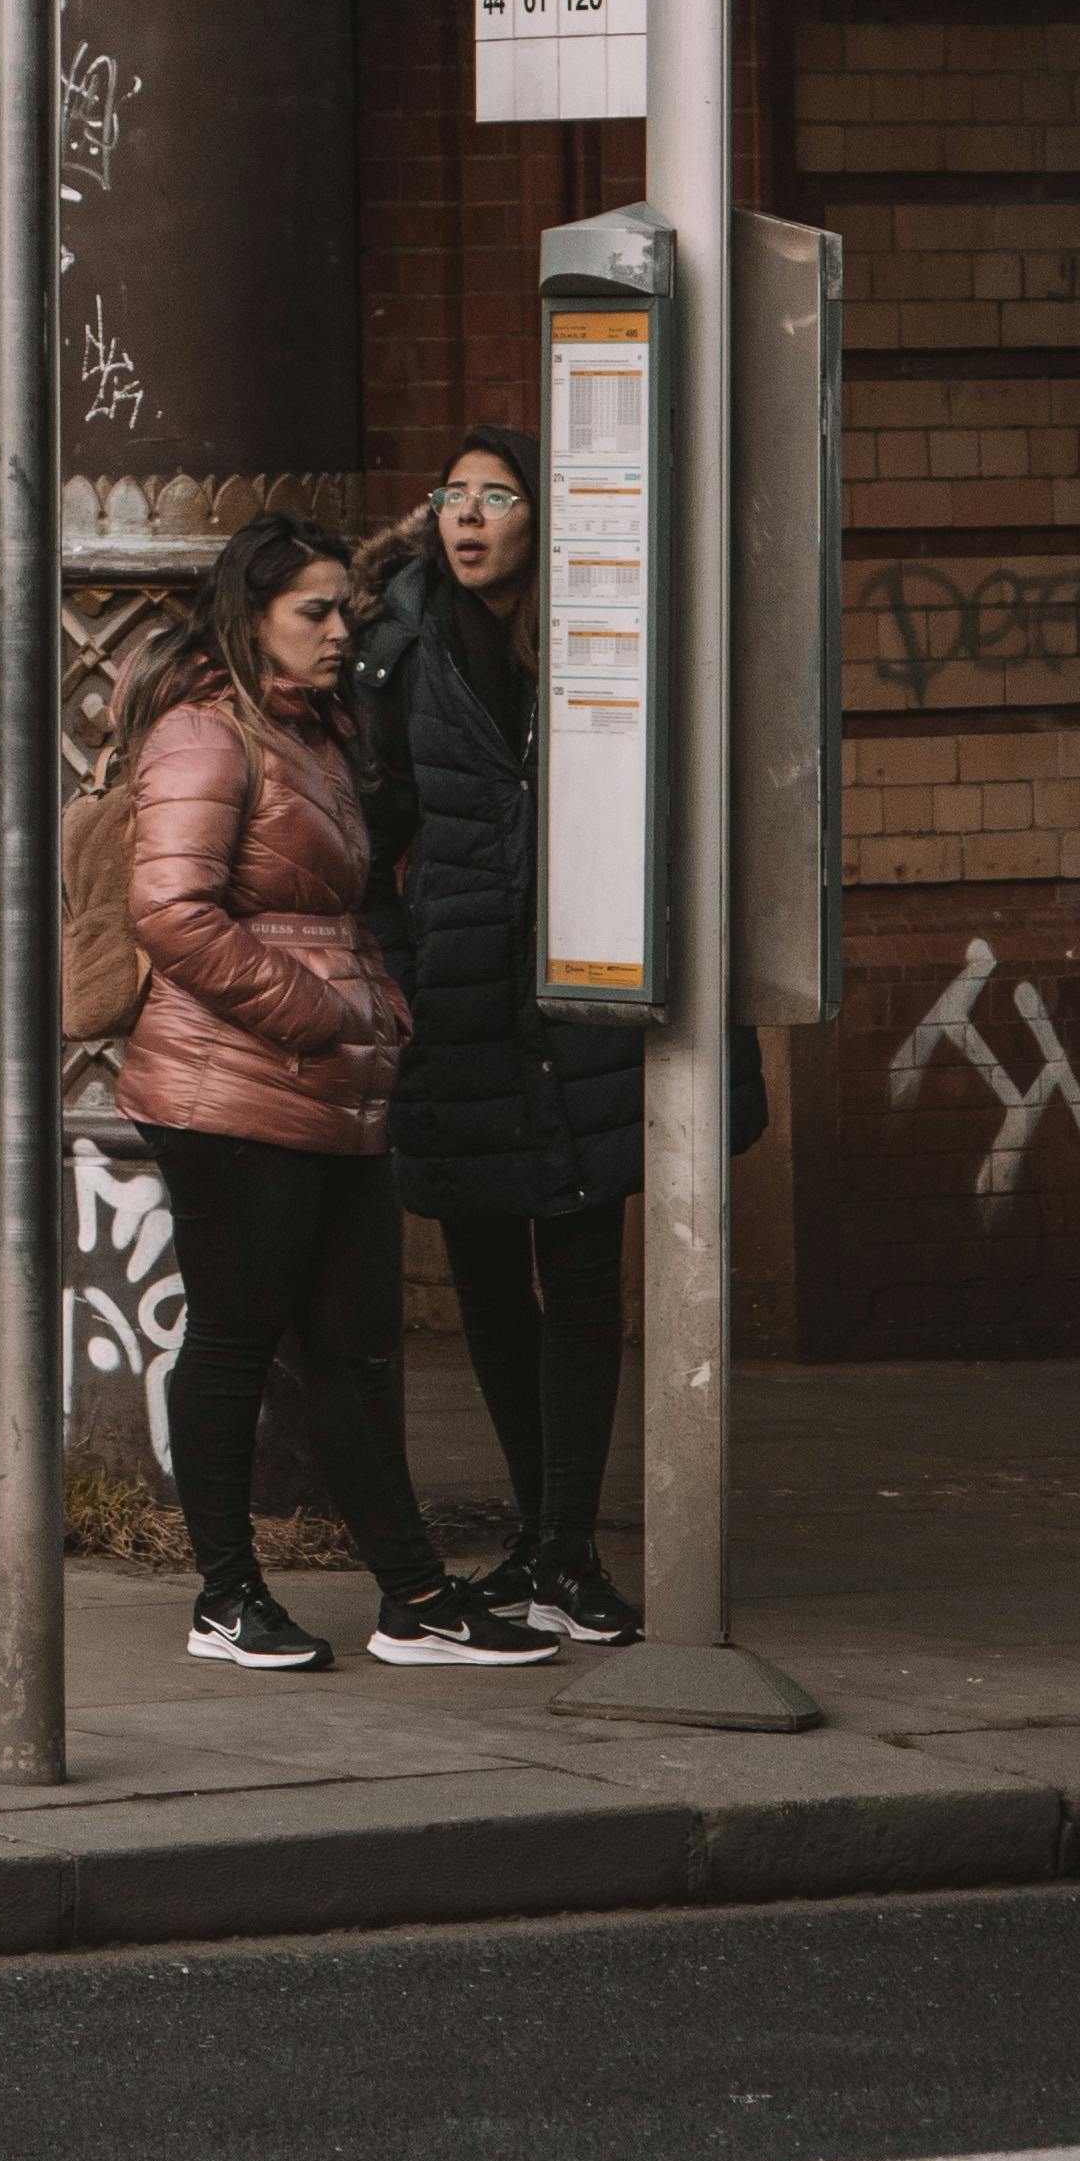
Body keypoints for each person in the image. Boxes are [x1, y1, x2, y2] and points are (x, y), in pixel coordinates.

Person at [113, 498, 562, 1679]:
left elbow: (332, 909)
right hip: (228, 1089)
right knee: (237, 1339)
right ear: (249, 617)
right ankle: (225, 1598)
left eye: (342, 610)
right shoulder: (208, 737)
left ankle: (414, 1598)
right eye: (312, 611)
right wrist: (317, 1010)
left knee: (357, 1348)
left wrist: (374, 1006)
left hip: (330, 1083)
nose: (335, 631)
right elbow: (169, 912)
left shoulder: (314, 732)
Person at [353, 425, 759, 1651]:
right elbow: (370, 830)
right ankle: (541, 1531)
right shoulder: (394, 651)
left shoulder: (605, 632)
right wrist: (407, 967)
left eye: (498, 496)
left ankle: (567, 1552)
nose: (469, 517)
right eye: (454, 495)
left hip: (588, 993)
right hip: (466, 1000)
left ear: (547, 518)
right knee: (487, 1280)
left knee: (581, 1277)